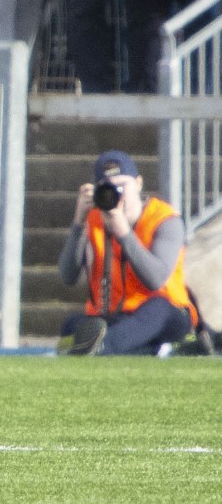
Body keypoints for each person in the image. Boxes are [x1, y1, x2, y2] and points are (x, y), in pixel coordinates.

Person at [57, 150, 198, 355]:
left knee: (156, 310)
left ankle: (103, 348)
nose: (117, 194)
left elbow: (156, 279)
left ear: (138, 183)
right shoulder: (94, 218)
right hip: (116, 314)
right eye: (109, 188)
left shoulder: (164, 219)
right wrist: (78, 223)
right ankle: (151, 350)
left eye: (122, 186)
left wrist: (123, 232)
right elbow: (68, 276)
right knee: (72, 324)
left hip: (166, 313)